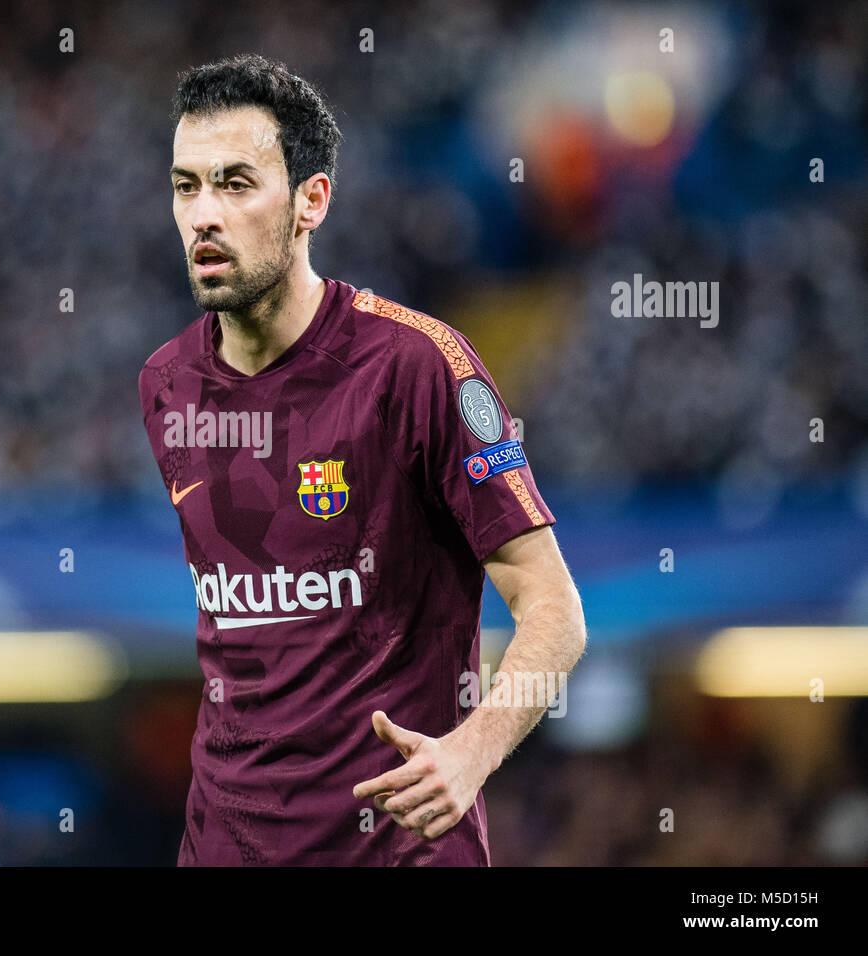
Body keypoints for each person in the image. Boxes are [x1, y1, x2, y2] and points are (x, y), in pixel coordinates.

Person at [139, 54, 587, 865]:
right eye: (186, 186)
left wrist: (474, 750)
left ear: (311, 201)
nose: (203, 214)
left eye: (235, 184)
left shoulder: (417, 367)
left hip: (399, 850)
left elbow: (554, 609)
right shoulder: (166, 384)